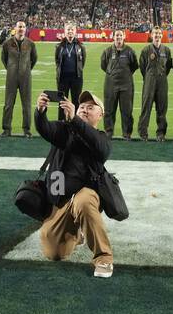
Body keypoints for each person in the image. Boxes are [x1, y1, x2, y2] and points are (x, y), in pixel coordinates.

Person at [34, 89, 114, 278]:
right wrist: (40, 111)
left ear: (100, 115)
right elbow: (45, 129)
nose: (85, 109)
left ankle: (104, 258)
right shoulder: (64, 130)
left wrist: (75, 121)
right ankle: (78, 233)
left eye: (91, 107)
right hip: (61, 198)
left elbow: (100, 148)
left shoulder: (101, 137)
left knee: (83, 201)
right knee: (53, 252)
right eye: (82, 107)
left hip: (86, 196)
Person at [1, 20, 38, 137]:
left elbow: (34, 59)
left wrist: (26, 69)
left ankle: (26, 130)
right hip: (11, 77)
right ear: (15, 29)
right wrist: (11, 69)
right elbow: (4, 58)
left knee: (26, 104)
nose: (21, 29)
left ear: (25, 29)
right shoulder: (7, 43)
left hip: (25, 77)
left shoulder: (30, 43)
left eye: (23, 27)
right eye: (19, 27)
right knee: (8, 103)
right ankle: (6, 129)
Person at [100, 29, 139, 140]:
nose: (118, 37)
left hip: (126, 85)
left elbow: (134, 66)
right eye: (116, 35)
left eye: (120, 35)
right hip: (111, 85)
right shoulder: (107, 51)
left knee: (126, 110)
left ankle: (127, 133)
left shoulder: (130, 51)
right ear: (113, 37)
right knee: (109, 110)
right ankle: (109, 132)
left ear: (124, 37)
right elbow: (104, 66)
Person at [137, 27, 171, 142]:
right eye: (155, 33)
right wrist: (148, 77)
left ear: (162, 35)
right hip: (149, 81)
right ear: (151, 35)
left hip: (162, 81)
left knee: (162, 108)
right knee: (146, 107)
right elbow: (142, 67)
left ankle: (161, 133)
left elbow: (168, 66)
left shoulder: (166, 50)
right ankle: (143, 133)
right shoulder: (146, 50)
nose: (157, 35)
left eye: (159, 33)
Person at [54, 22, 86, 104]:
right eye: (68, 29)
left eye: (72, 29)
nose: (70, 31)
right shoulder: (59, 46)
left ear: (75, 32)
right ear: (65, 31)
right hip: (62, 78)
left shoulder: (80, 46)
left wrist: (78, 71)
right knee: (62, 103)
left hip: (76, 78)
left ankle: (75, 117)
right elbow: (57, 61)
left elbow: (82, 62)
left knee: (77, 102)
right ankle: (62, 117)